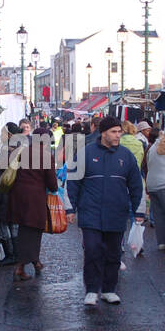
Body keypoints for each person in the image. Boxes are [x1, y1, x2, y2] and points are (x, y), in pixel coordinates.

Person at [66, 116, 144, 305]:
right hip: (90, 212)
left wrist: (139, 212)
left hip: (117, 213)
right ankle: (92, 289)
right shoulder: (85, 153)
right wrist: (70, 208)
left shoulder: (126, 156)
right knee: (92, 250)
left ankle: (109, 289)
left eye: (119, 131)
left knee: (113, 253)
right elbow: (73, 181)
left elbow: (136, 185)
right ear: (103, 133)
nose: (118, 135)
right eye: (114, 132)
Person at [7, 127, 58, 281]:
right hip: (35, 198)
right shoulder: (46, 156)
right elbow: (52, 183)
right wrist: (54, 189)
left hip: (18, 196)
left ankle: (35, 262)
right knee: (33, 230)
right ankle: (21, 266)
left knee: (25, 229)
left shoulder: (21, 152)